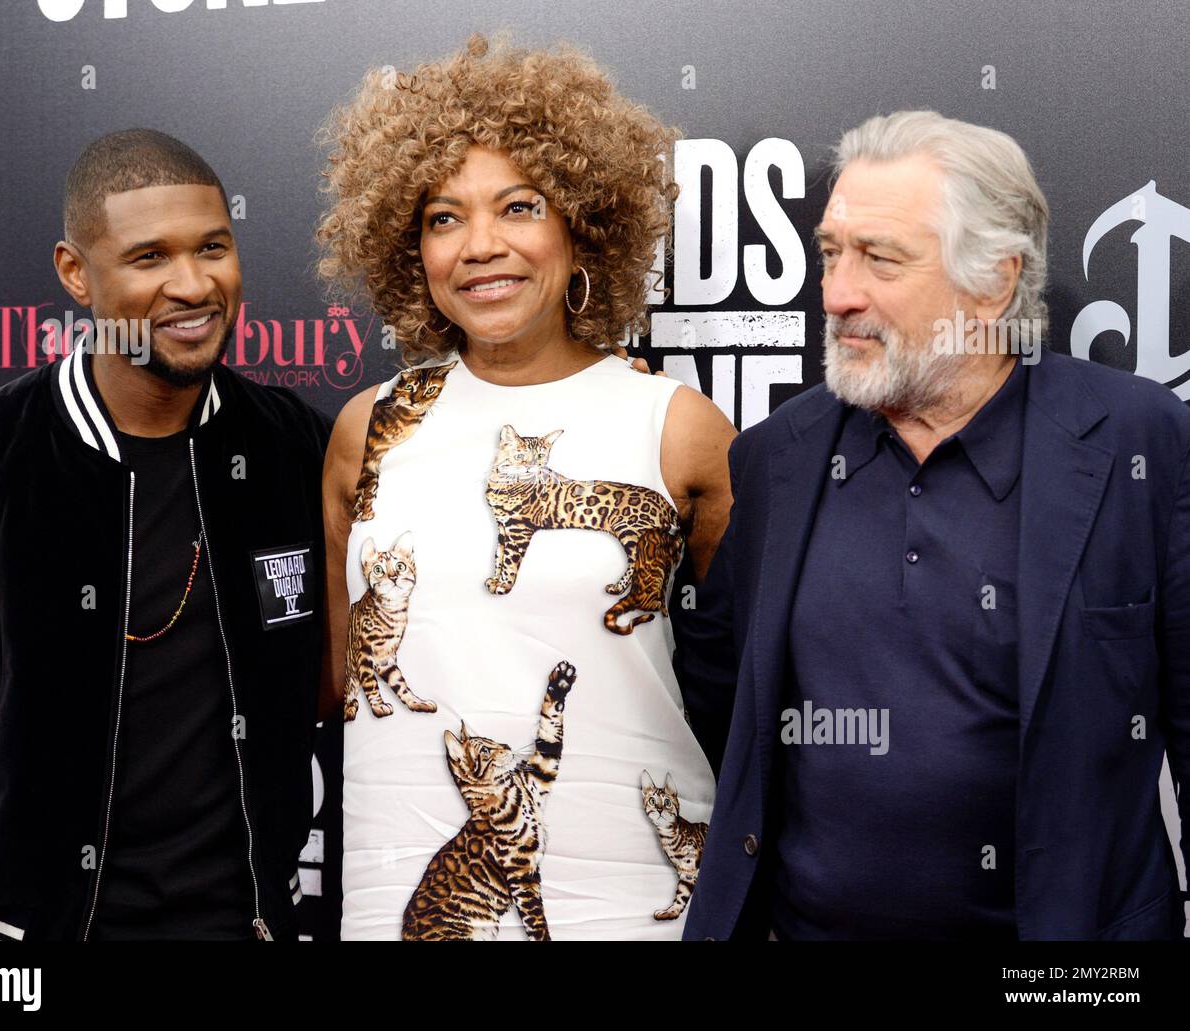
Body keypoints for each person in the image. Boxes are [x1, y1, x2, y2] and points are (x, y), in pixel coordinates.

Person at [680, 110, 1190, 941]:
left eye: (879, 258)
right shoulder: (782, 456)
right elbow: (722, 685)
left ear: (992, 281)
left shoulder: (1138, 441)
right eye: (831, 253)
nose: (840, 293)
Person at [317, 33, 736, 939]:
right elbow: (338, 681)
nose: (482, 247)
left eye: (520, 206)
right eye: (442, 217)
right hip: (408, 894)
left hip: (631, 904)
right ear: (407, 244)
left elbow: (753, 685)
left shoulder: (679, 429)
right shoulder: (367, 432)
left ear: (582, 222)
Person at [0, 129, 330, 941]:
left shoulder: (298, 449)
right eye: (149, 258)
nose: (193, 285)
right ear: (74, 273)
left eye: (213, 248)